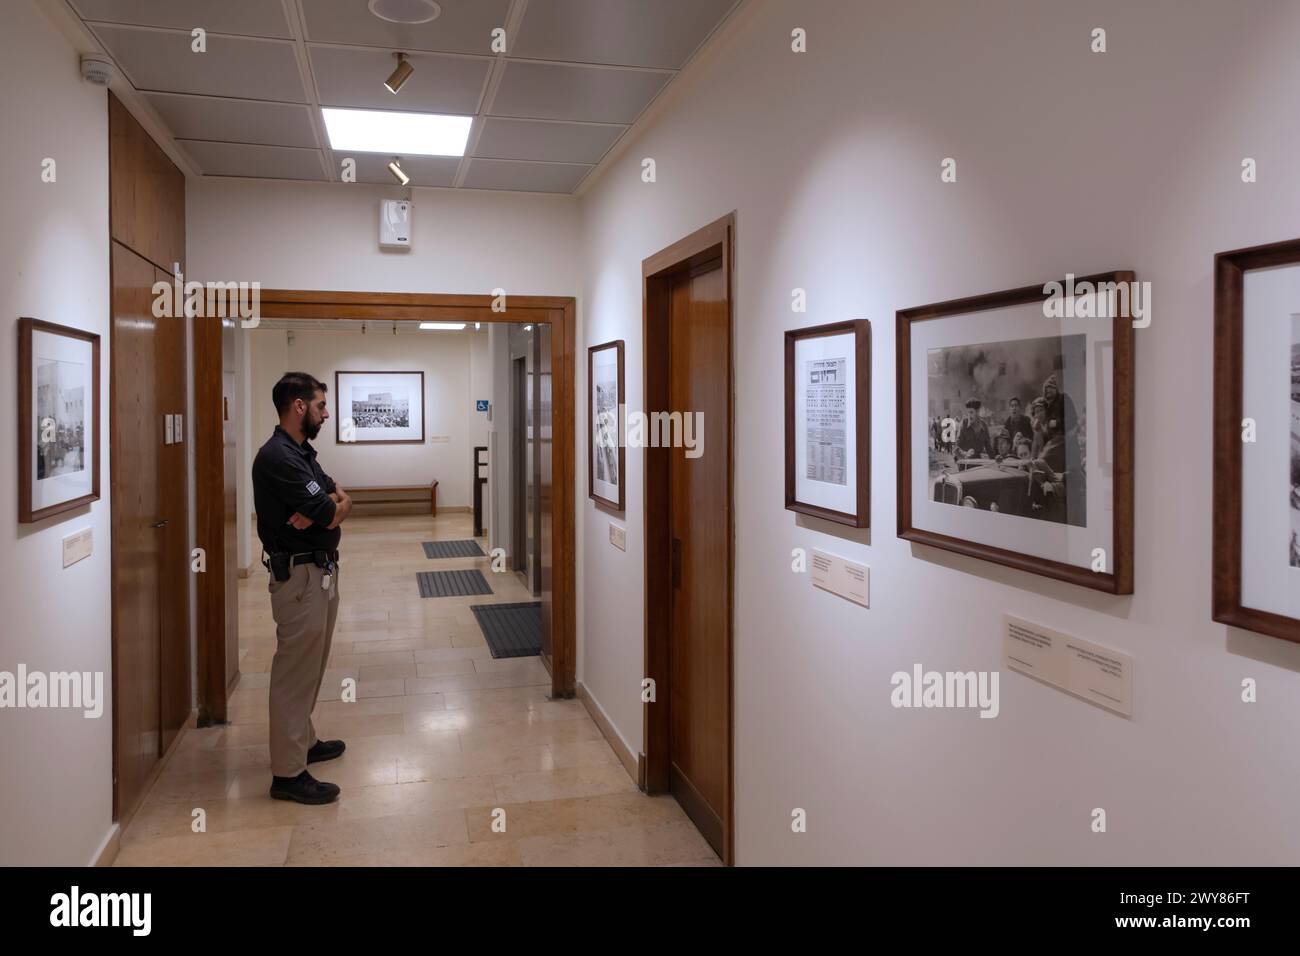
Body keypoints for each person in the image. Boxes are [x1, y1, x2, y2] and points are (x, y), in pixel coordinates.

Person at [251, 372, 354, 805]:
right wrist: (327, 511)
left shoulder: (301, 452)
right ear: (298, 406)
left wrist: (330, 508)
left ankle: (303, 742)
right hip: (299, 579)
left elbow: (342, 499)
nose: (326, 413)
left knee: (312, 666)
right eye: (320, 405)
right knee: (294, 673)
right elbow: (329, 510)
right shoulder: (277, 457)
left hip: (319, 572)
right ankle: (288, 774)